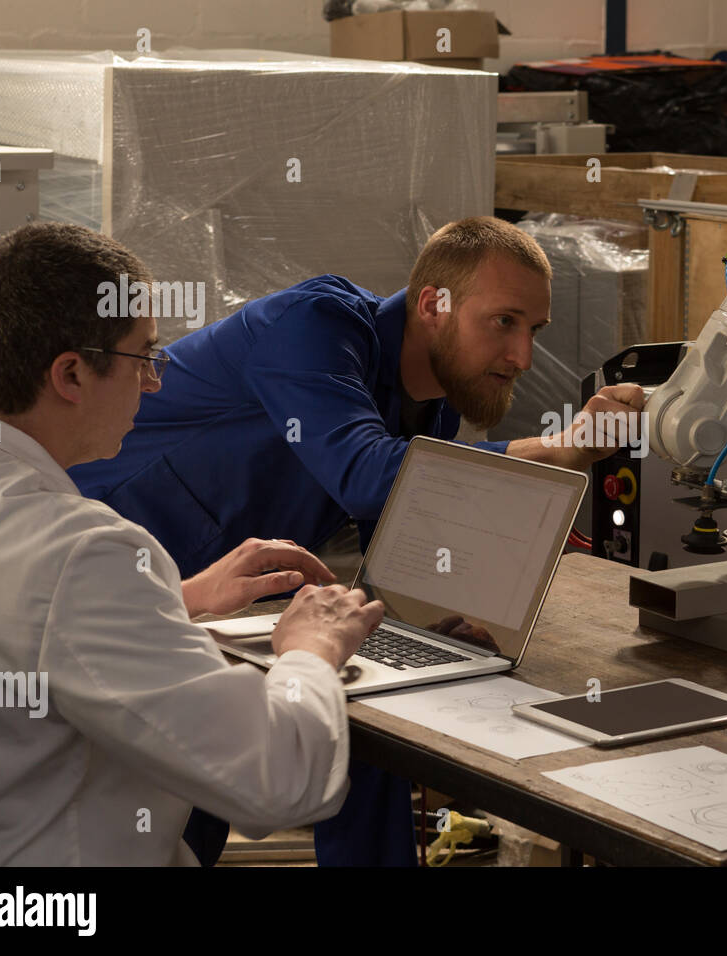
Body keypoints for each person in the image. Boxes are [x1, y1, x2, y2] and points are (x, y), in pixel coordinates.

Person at [69, 215, 645, 866]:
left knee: (372, 707)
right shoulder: (310, 325)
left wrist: (435, 615)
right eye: (504, 322)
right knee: (174, 810)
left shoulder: (431, 408)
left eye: (532, 330)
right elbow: (365, 474)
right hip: (125, 573)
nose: (521, 358)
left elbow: (395, 543)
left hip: (233, 594)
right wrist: (562, 447)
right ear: (435, 303)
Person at [0, 222, 386, 865]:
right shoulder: (79, 552)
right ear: (70, 374)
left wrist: (171, 598)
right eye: (144, 356)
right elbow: (276, 783)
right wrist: (311, 650)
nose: (155, 382)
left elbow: (7, 622)